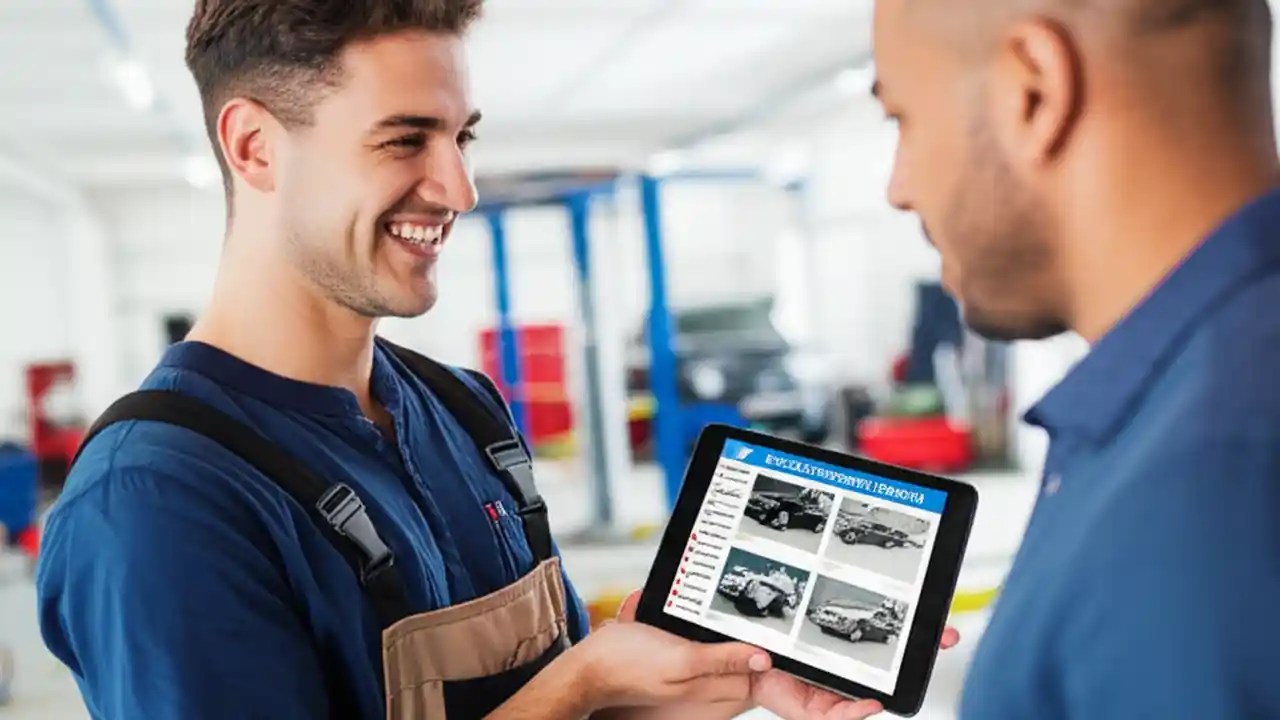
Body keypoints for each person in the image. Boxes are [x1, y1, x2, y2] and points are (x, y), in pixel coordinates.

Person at [37, 1, 959, 719]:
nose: (458, 189)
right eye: (405, 140)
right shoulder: (160, 503)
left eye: (461, 136)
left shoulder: (465, 413)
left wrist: (719, 676)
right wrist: (583, 682)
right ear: (254, 146)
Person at [871, 0, 1280, 716]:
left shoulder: (1203, 493)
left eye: (901, 118)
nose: (898, 189)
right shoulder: (1174, 408)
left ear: (1034, 90)